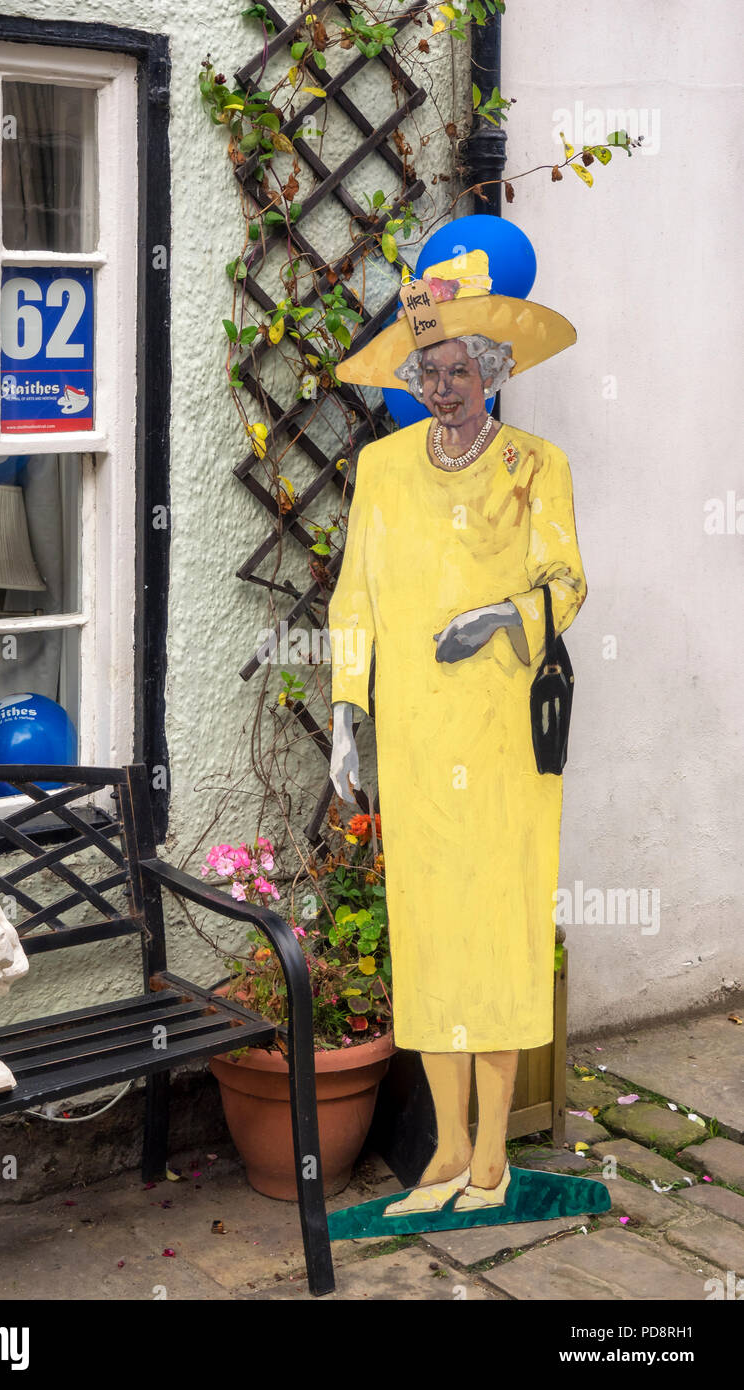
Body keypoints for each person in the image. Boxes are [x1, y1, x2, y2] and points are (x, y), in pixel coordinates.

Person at [328, 249, 586, 1215]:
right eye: (426, 372)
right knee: (430, 930)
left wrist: (501, 617)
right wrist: (348, 709)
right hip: (418, 733)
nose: (441, 387)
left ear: (494, 373)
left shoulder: (535, 468)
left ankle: (492, 1162)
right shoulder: (384, 469)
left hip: (507, 735)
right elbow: (354, 593)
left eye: (458, 371)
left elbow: (569, 582)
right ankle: (445, 1152)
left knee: (500, 929)